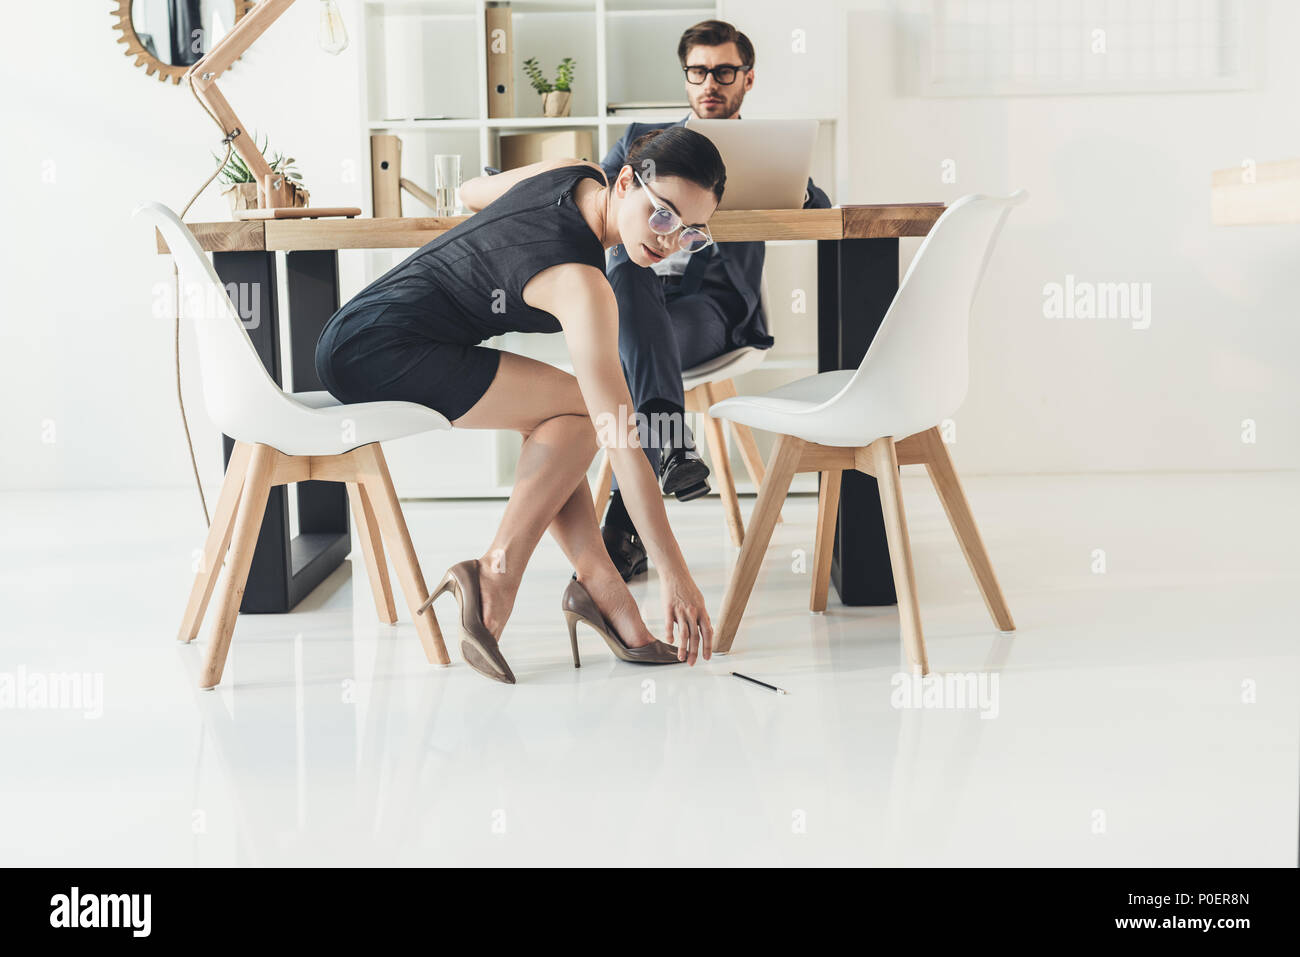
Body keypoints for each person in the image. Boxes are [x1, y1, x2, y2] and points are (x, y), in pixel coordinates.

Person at [314, 127, 725, 684]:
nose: (670, 239)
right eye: (662, 216)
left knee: (571, 418)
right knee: (587, 414)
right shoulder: (582, 285)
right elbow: (623, 440)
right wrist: (676, 571)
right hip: (380, 350)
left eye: (692, 232)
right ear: (626, 181)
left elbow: (469, 192)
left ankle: (603, 592)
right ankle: (498, 575)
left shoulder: (570, 172)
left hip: (357, 330)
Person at [597, 19, 833, 581]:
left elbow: (821, 212)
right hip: (636, 296)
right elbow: (595, 198)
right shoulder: (641, 142)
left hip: (711, 307)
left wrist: (792, 183)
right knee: (627, 275)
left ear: (747, 79)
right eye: (698, 71)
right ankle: (672, 450)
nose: (710, 83)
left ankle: (620, 524)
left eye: (724, 72)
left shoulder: (766, 150)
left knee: (635, 357)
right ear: (686, 77)